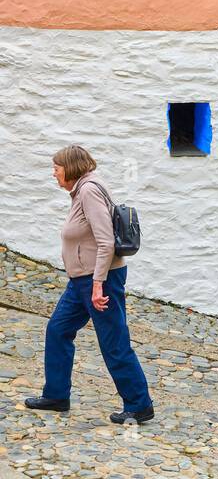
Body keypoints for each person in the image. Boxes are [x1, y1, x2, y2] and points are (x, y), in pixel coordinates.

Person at [25, 146, 153, 423]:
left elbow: (106, 241)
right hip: (81, 279)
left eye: (56, 169)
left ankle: (139, 404)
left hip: (98, 279)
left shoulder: (89, 191)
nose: (54, 174)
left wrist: (97, 284)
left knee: (113, 341)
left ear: (70, 169)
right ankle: (57, 395)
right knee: (58, 329)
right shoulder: (82, 190)